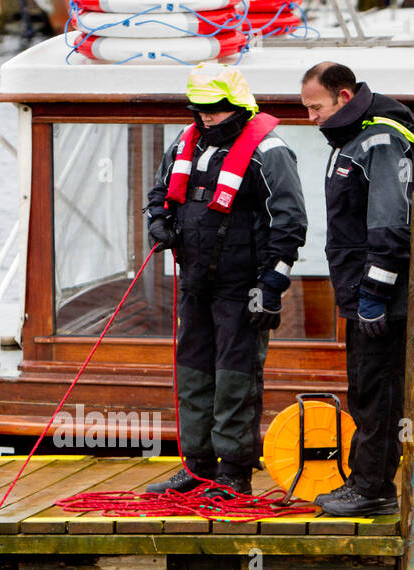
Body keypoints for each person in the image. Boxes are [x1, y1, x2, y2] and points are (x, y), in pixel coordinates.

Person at [144, 62, 308, 497]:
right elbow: (159, 193)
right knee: (193, 372)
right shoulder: (184, 143)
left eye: (214, 109)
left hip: (243, 285)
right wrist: (158, 222)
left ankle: (234, 474)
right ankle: (196, 468)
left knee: (235, 377)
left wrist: (272, 285)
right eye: (199, 109)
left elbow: (289, 223)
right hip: (195, 282)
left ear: (236, 106)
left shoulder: (270, 152)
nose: (205, 117)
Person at [301, 62, 414, 517]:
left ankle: (373, 488)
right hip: (360, 295)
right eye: (306, 109)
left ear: (343, 96)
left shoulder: (378, 139)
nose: (311, 117)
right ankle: (365, 481)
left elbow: (389, 227)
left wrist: (375, 296)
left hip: (380, 299)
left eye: (315, 106)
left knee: (378, 393)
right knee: (364, 389)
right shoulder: (351, 139)